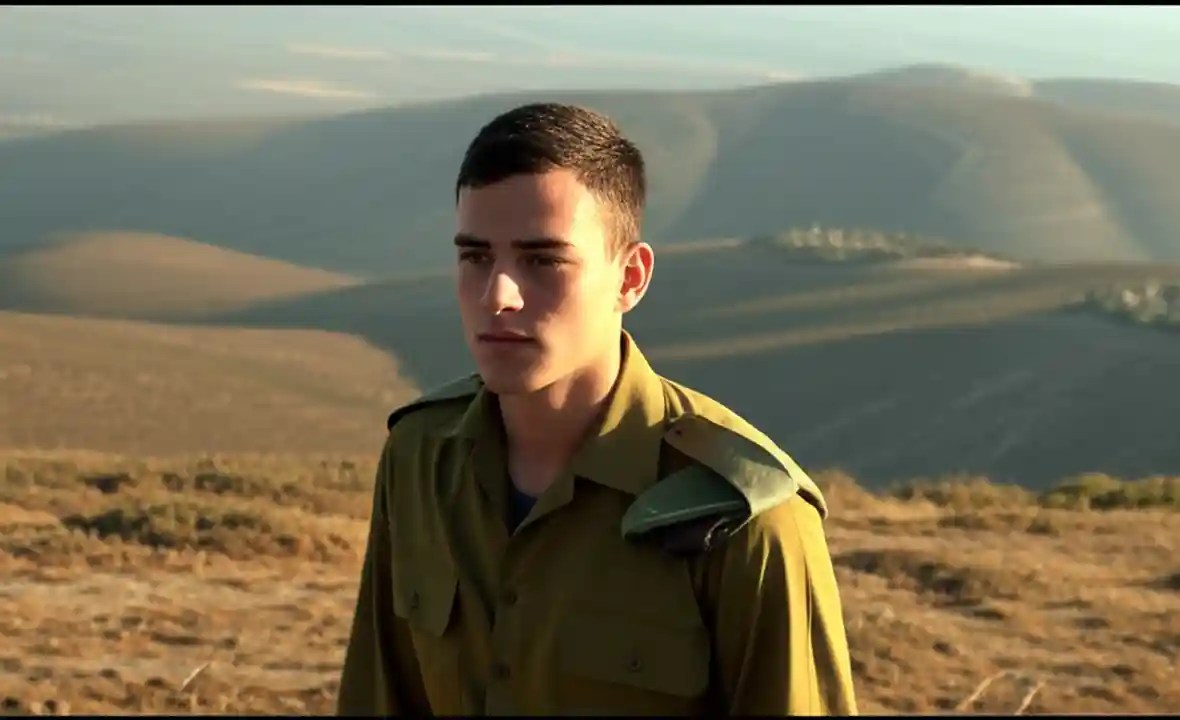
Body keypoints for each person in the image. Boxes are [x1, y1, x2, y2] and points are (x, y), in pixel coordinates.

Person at [336, 102, 858, 716]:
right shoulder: (421, 457)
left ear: (630, 278)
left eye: (543, 261)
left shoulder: (747, 519)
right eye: (475, 256)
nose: (497, 295)